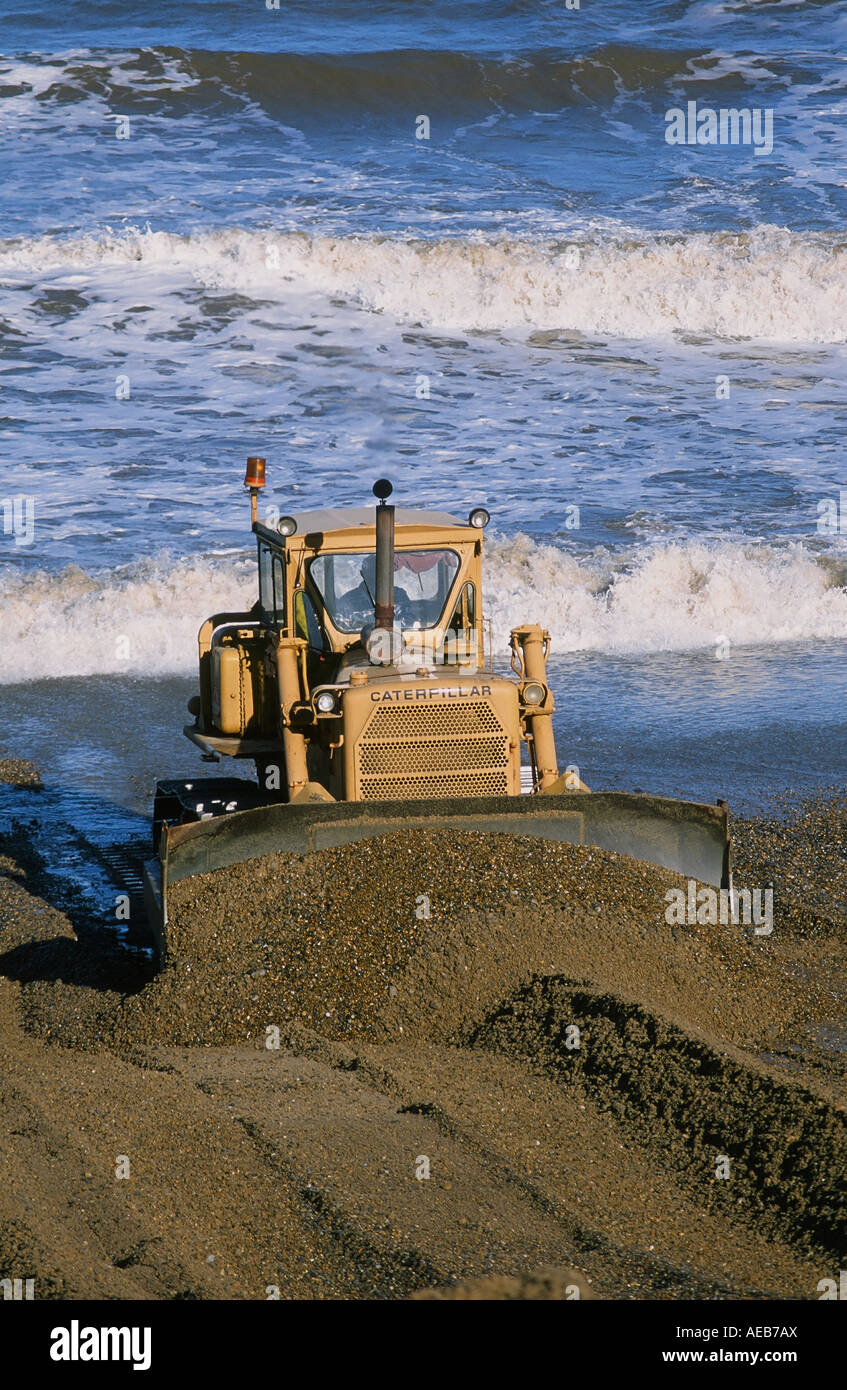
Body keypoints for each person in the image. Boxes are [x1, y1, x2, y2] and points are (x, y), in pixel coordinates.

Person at [334, 553, 414, 630]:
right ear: (363, 574)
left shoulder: (399, 595)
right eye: (373, 572)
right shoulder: (347, 601)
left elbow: (408, 622)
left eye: (381, 572)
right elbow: (341, 625)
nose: (377, 576)